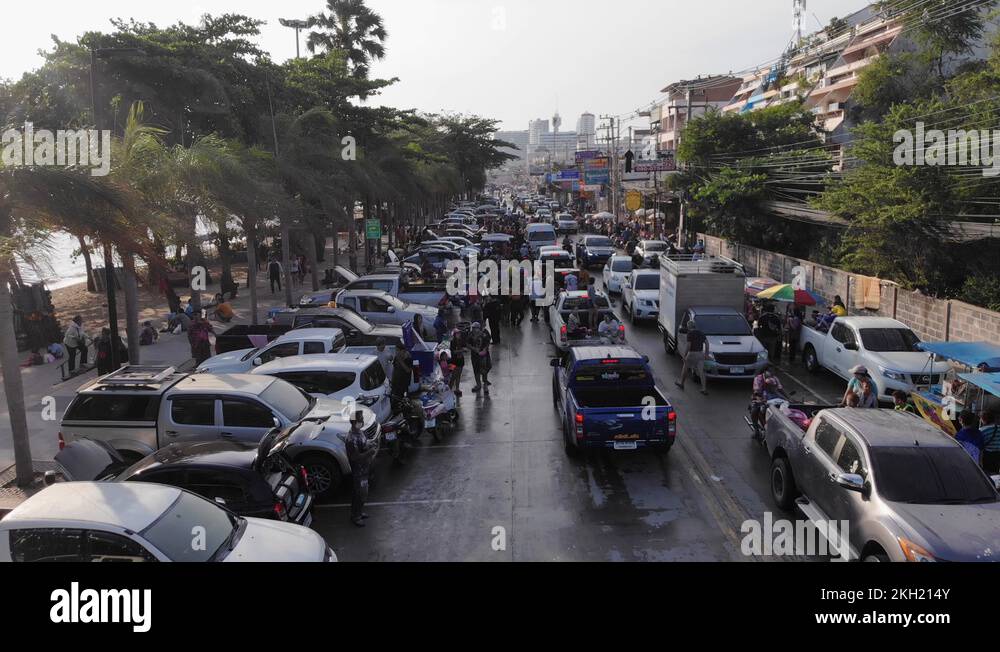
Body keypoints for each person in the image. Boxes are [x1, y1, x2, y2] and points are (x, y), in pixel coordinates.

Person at [345, 410, 376, 527]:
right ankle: (356, 516)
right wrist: (370, 452)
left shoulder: (360, 432)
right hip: (358, 471)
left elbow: (363, 444)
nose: (362, 422)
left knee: (361, 493)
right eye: (360, 420)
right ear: (354, 422)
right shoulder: (351, 439)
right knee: (360, 494)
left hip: (365, 469)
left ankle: (358, 512)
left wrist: (369, 445)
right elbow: (355, 457)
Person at [675, 319, 709, 395]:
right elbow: (707, 343)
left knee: (685, 367)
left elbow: (688, 345)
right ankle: (704, 389)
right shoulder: (701, 333)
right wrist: (706, 354)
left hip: (692, 353)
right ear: (695, 326)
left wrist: (684, 355)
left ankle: (682, 384)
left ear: (688, 327)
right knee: (701, 372)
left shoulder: (690, 333)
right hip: (700, 354)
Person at [469, 322, 492, 395]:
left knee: (486, 368)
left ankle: (485, 384)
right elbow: (467, 343)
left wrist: (485, 349)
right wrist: (474, 349)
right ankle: (478, 384)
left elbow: (488, 341)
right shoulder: (470, 334)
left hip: (484, 355)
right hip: (475, 355)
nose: (474, 329)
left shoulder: (484, 333)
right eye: (473, 328)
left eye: (475, 328)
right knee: (476, 370)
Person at [980, 410, 1000, 474]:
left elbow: (980, 445)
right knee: (996, 472)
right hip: (998, 454)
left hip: (988, 455)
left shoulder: (981, 431)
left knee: (987, 473)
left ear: (984, 419)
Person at [449, 325, 466, 397]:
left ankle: (457, 388)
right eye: (457, 334)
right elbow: (453, 352)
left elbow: (464, 346)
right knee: (453, 376)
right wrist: (461, 350)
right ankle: (449, 389)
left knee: (459, 375)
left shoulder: (461, 341)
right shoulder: (452, 342)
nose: (459, 335)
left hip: (460, 360)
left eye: (459, 333)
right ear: (454, 335)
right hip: (454, 361)